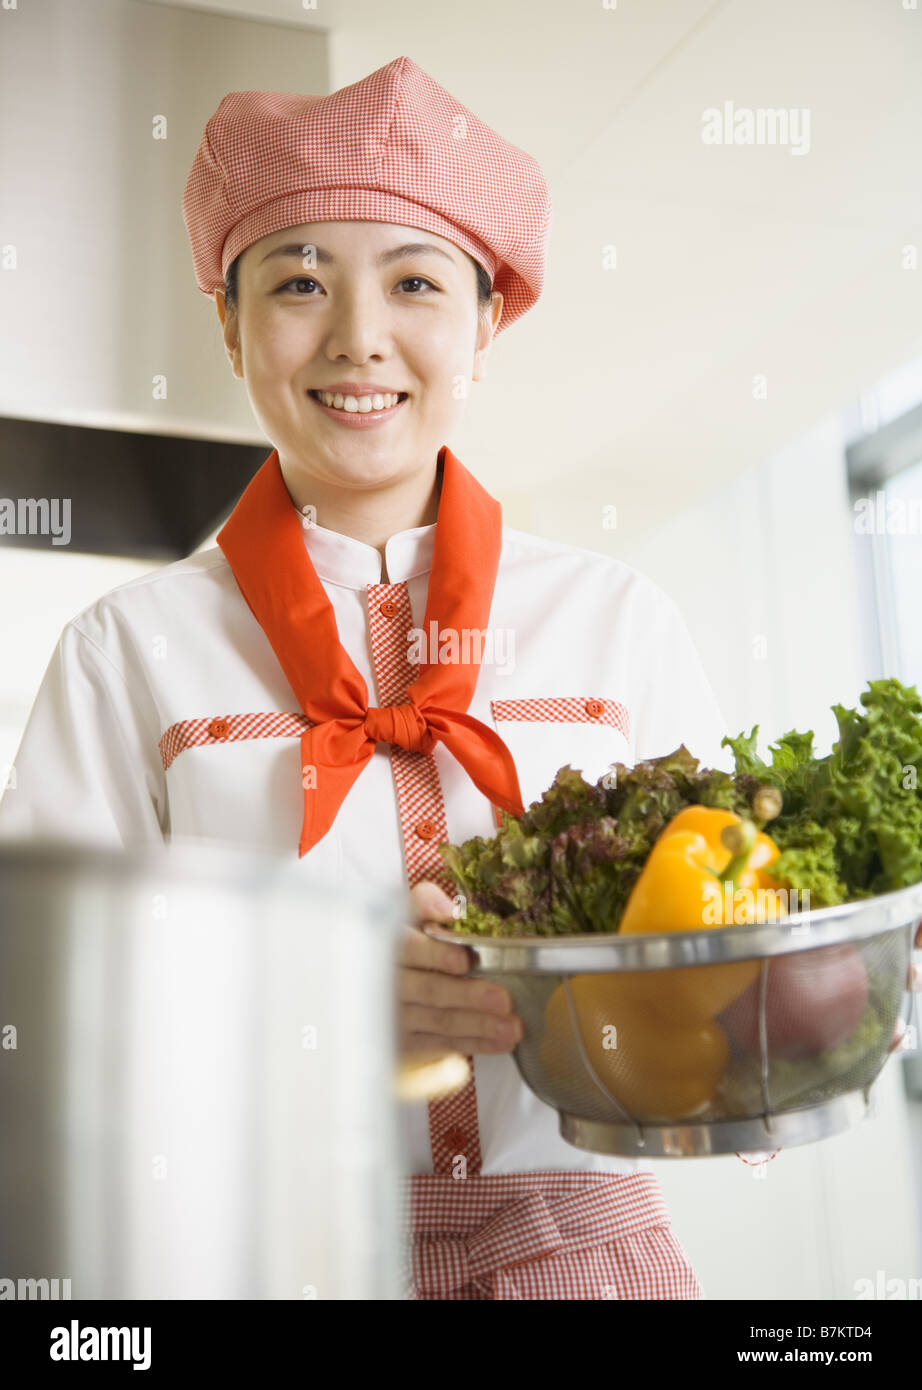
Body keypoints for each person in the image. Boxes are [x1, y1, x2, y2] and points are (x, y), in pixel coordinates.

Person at [0, 56, 730, 1299]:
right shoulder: (127, 654)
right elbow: (44, 1043)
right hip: (271, 1252)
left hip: (589, 1256)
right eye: (297, 282)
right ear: (228, 324)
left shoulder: (620, 625)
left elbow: (717, 988)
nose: (358, 339)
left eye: (414, 282)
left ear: (486, 320)